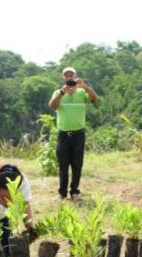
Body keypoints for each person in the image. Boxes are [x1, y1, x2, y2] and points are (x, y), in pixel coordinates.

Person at [49, 67, 98, 200]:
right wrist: (61, 93)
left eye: (71, 75)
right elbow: (52, 106)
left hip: (78, 134)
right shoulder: (58, 92)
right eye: (67, 76)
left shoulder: (82, 93)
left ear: (75, 77)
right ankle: (62, 193)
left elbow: (94, 99)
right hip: (63, 135)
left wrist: (85, 87)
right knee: (63, 165)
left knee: (77, 164)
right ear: (63, 78)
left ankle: (75, 192)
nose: (69, 78)